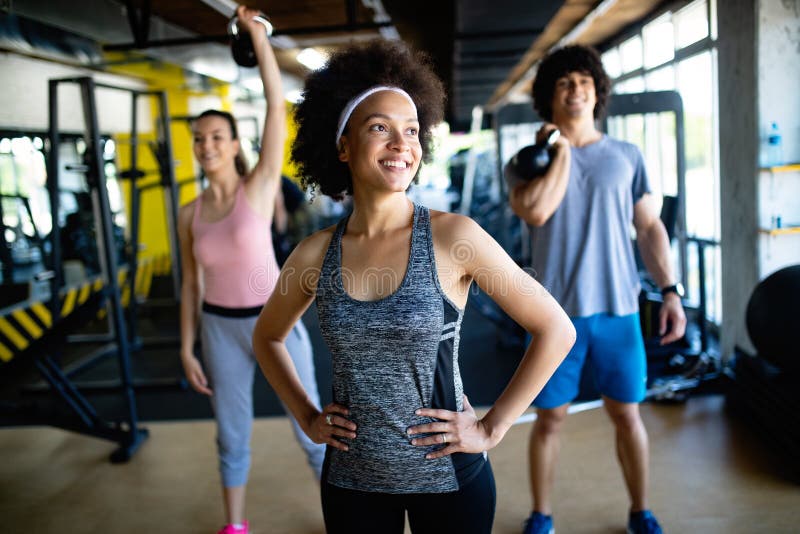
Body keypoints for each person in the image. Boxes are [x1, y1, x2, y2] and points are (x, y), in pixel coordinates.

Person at [250, 39, 576, 534]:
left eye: (411, 130)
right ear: (343, 146)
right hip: (352, 480)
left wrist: (492, 427)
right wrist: (308, 416)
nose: (402, 143)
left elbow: (556, 329)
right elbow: (267, 336)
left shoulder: (454, 238)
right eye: (379, 127)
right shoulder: (315, 253)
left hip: (449, 478)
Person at [505, 45, 687, 534]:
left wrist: (671, 290)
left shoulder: (626, 156)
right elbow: (536, 211)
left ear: (597, 91)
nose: (576, 90)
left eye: (585, 81)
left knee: (627, 416)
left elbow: (648, 228)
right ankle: (541, 516)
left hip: (618, 311)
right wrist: (561, 150)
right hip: (552, 318)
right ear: (549, 95)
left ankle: (640, 511)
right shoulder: (529, 161)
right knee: (549, 420)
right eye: (565, 82)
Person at [176, 6, 325, 534]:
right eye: (199, 138)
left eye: (217, 136)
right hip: (218, 327)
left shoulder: (258, 188)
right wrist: (186, 346)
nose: (207, 145)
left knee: (312, 429)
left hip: (273, 322)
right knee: (231, 434)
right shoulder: (189, 213)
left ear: (235, 144)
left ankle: (343, 517)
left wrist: (258, 37)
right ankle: (234, 526)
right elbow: (191, 283)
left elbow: (275, 108)